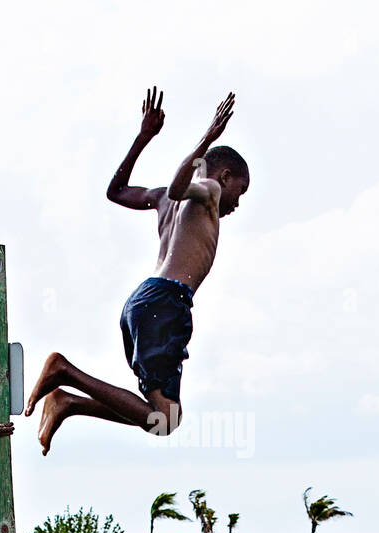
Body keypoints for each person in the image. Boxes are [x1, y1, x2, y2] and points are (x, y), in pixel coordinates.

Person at [23, 88, 249, 455]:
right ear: (224, 176)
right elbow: (180, 188)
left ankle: (70, 402)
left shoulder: (161, 198)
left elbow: (116, 191)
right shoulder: (208, 190)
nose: (238, 203)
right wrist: (207, 138)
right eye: (241, 190)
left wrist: (142, 138)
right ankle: (63, 372)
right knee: (166, 420)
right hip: (167, 302)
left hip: (143, 302)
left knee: (161, 417)